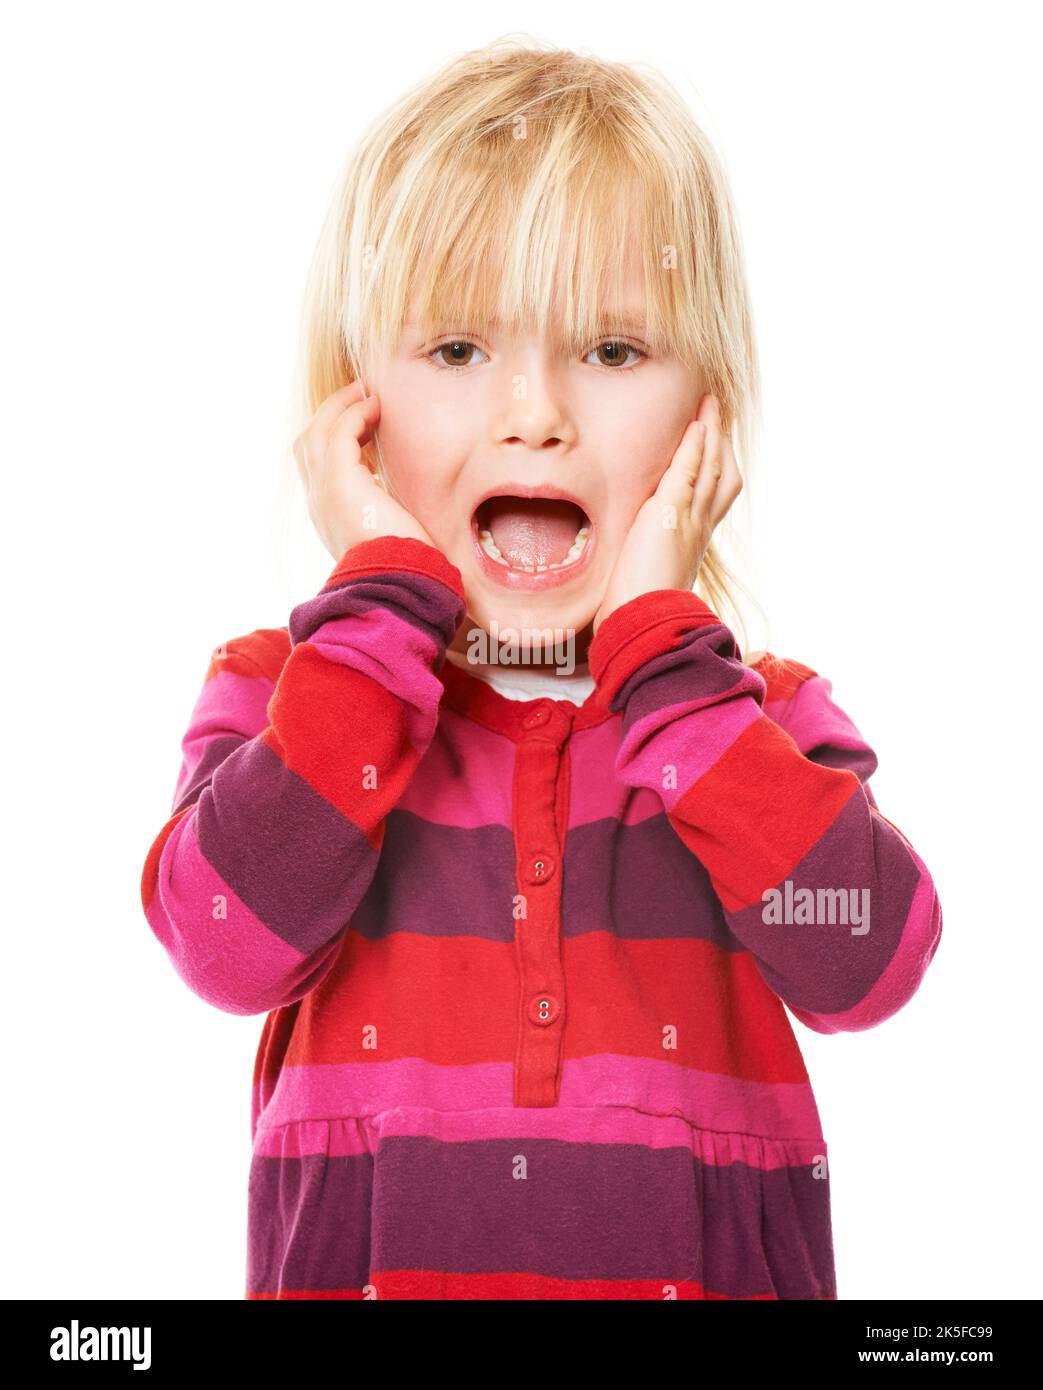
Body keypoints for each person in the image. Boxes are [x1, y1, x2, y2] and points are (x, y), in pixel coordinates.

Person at [140, 36, 942, 1300]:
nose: (535, 414)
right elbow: (223, 943)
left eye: (611, 353)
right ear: (353, 413)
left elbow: (867, 962)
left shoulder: (756, 720)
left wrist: (672, 671)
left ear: (706, 420)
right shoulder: (286, 691)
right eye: (456, 353)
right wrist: (374, 621)